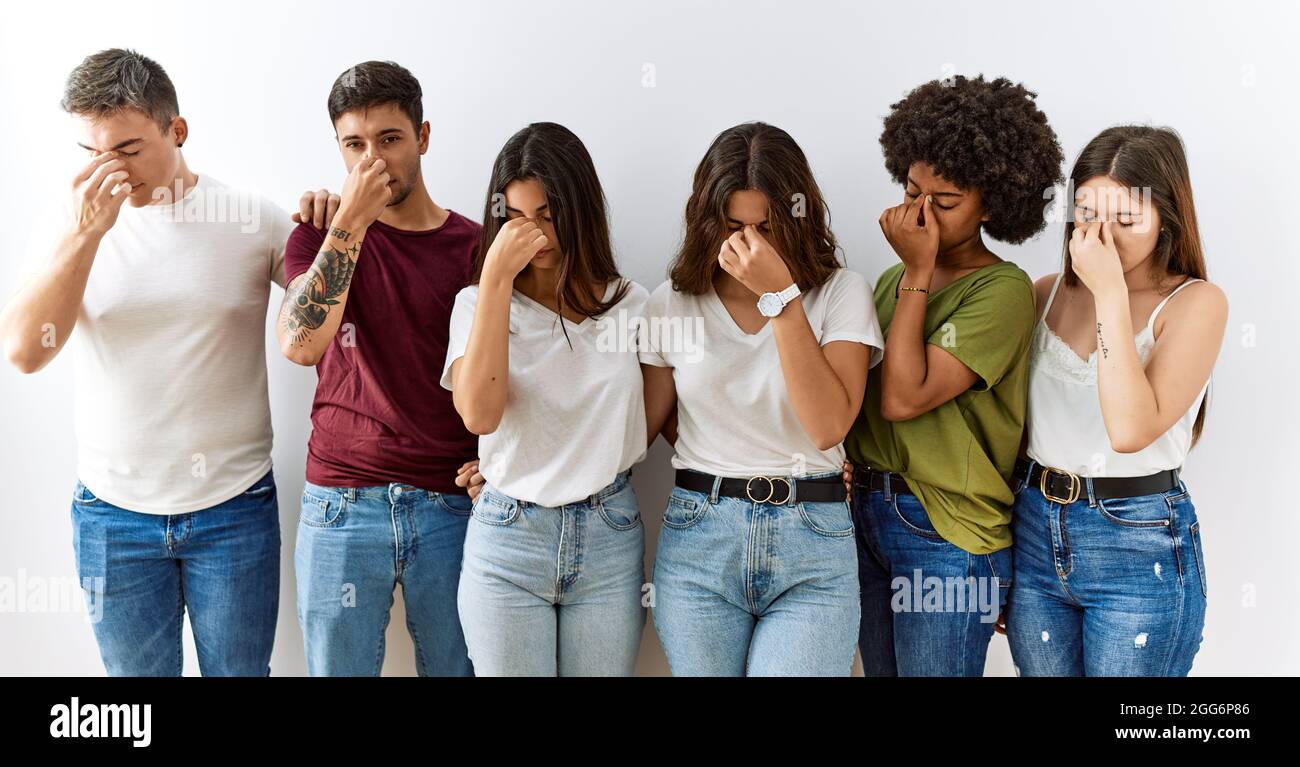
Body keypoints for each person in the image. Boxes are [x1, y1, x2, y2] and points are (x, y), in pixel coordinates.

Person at [0, 49, 287, 676]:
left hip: (234, 510)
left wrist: (333, 223)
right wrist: (85, 236)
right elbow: (24, 352)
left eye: (127, 149)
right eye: (92, 152)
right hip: (112, 517)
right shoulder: (65, 223)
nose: (110, 171)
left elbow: (335, 317)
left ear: (176, 131)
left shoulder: (252, 219)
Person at [642, 122, 884, 676]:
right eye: (733, 226)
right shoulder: (671, 304)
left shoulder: (841, 293)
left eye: (767, 227)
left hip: (813, 538)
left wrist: (781, 298)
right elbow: (642, 427)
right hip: (700, 536)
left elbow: (827, 427)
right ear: (706, 220)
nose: (749, 244)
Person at [844, 74, 1064, 676]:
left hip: (945, 531)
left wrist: (915, 270)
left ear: (992, 203)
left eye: (943, 203)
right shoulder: (893, 282)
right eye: (911, 190)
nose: (919, 213)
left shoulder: (1003, 290)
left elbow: (903, 398)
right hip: (866, 516)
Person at [279, 61, 479, 676]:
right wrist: (349, 223)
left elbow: (506, 374)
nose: (373, 160)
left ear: (422, 137)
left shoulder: (475, 247)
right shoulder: (317, 237)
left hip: (452, 504)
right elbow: (300, 344)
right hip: (341, 500)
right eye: (354, 145)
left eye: (389, 139)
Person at [1005, 126, 1226, 676]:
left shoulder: (1196, 303)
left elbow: (1130, 430)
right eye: (1086, 213)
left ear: (1167, 217)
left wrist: (1109, 293)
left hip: (1137, 543)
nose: (1102, 235)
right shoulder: (1044, 292)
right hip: (1035, 529)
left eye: (1126, 220)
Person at [443, 123, 649, 676]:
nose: (532, 233)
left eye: (548, 216)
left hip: (609, 536)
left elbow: (650, 421)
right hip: (508, 540)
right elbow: (481, 414)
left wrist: (566, 461)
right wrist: (495, 281)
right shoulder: (475, 305)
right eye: (514, 217)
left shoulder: (633, 305)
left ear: (580, 211)